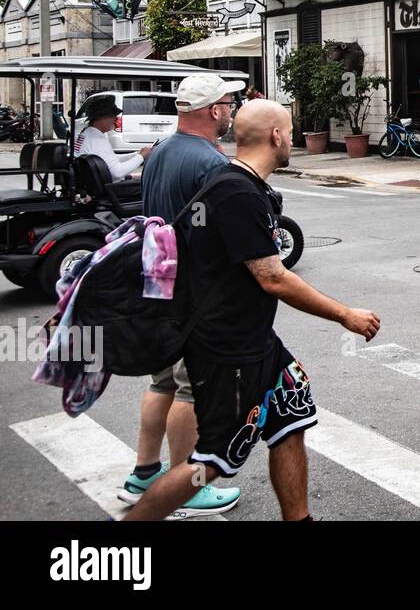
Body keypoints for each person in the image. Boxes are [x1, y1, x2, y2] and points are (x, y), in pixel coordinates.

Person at [124, 100, 381, 521]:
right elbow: (272, 277)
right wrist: (345, 315)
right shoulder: (236, 192)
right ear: (277, 136)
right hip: (229, 350)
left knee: (291, 417)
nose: (294, 137)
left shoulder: (240, 185)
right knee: (208, 463)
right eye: (291, 129)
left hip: (257, 343)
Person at [116, 75, 245, 518]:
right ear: (213, 111)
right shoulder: (210, 162)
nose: (232, 110)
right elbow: (222, 235)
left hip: (158, 286)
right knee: (194, 388)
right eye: (229, 103)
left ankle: (144, 474)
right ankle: (183, 488)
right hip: (196, 295)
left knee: (162, 382)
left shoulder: (163, 151)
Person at [74, 96, 151, 181]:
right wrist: (142, 156)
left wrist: (137, 153)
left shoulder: (88, 134)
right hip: (110, 188)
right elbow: (117, 173)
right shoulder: (97, 140)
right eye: (114, 116)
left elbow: (111, 159)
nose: (115, 120)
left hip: (98, 182)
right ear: (102, 118)